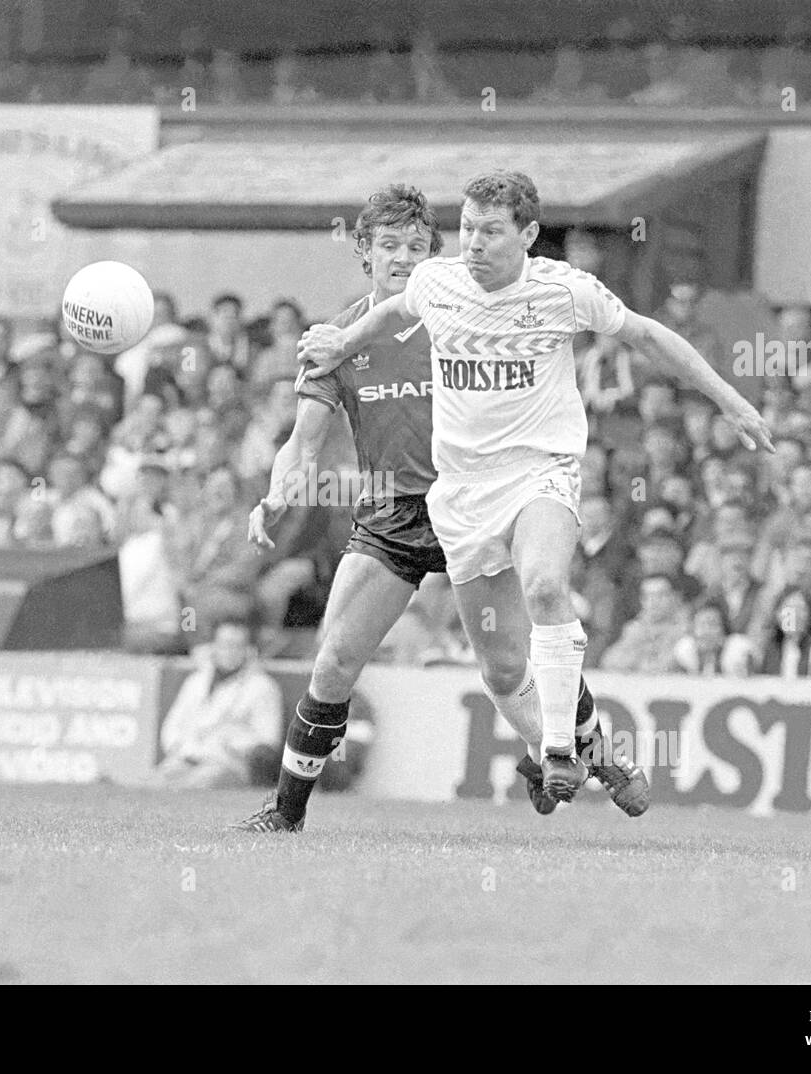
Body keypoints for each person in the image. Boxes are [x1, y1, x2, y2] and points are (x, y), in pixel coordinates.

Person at [301, 170, 772, 803]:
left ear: (527, 235)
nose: (473, 243)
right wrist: (341, 339)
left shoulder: (564, 291)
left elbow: (648, 335)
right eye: (467, 228)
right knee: (499, 666)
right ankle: (596, 753)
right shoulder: (437, 283)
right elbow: (389, 312)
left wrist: (731, 401)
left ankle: (558, 754)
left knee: (547, 585)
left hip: (539, 474)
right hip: (462, 495)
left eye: (491, 231)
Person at [234, 183, 647, 833]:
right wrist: (276, 495)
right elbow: (301, 443)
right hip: (393, 517)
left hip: (475, 502)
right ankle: (285, 813)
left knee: (510, 660)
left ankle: (598, 759)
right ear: (364, 254)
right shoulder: (338, 340)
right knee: (335, 658)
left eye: (418, 247)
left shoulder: (461, 314)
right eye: (389, 247)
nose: (403, 259)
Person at [152, 615, 283, 789]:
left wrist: (230, 743)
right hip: (187, 757)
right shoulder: (196, 681)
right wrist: (183, 749)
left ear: (248, 650)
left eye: (237, 646)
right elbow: (172, 727)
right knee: (157, 781)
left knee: (200, 782)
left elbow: (269, 740)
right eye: (225, 645)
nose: (230, 652)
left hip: (230, 765)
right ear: (214, 646)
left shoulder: (263, 686)